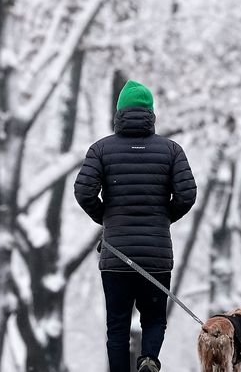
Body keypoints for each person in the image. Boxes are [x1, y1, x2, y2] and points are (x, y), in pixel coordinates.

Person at [74, 80, 197, 372]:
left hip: (117, 256)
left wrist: (106, 218)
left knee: (116, 325)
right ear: (150, 114)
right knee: (154, 318)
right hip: (156, 254)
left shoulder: (101, 150)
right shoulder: (171, 150)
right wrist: (164, 218)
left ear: (119, 113)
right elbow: (187, 194)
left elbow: (83, 192)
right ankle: (149, 359)